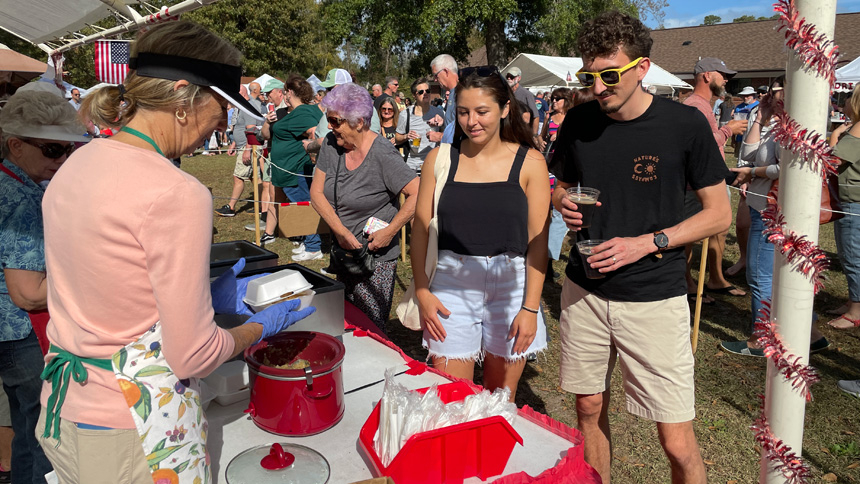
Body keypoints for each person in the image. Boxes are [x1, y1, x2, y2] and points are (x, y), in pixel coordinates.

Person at [37, 21, 314, 484]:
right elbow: (193, 356)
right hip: (132, 431)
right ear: (184, 97)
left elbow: (110, 279)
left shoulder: (77, 161)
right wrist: (255, 327)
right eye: (222, 106)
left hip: (65, 410)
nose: (226, 122)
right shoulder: (176, 192)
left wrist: (199, 292)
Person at [549, 12, 733, 482]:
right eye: (590, 76)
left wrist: (648, 242)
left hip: (655, 293)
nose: (600, 85)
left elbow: (718, 214)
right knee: (589, 407)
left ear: (642, 67)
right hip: (584, 288)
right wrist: (563, 201)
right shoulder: (578, 121)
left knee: (675, 440)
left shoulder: (684, 124)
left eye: (610, 74)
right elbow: (560, 185)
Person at [411, 66, 549, 401]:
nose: (472, 121)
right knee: (450, 398)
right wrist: (422, 291)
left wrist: (530, 308)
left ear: (504, 110)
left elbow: (538, 243)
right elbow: (420, 229)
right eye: (463, 112)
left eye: (482, 111)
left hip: (512, 287)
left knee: (499, 398)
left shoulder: (530, 162)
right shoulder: (439, 159)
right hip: (451, 285)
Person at [0, 90, 82, 484]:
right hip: (22, 336)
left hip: (8, 335)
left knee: (25, 427)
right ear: (16, 144)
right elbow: (28, 292)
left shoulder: (9, 181)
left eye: (68, 150)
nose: (61, 160)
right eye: (52, 149)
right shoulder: (24, 198)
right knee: (44, 439)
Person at [720, 78, 829, 356]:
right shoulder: (774, 123)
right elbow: (747, 155)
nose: (772, 94)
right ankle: (811, 335)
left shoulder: (798, 127)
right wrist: (760, 117)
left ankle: (762, 339)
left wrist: (753, 173)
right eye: (771, 89)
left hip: (774, 211)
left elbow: (789, 168)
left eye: (780, 88)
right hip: (763, 205)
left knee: (762, 277)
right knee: (779, 276)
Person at [310, 83, 419, 332]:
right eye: (329, 119)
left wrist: (390, 231)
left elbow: (418, 191)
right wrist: (341, 232)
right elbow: (316, 193)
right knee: (343, 321)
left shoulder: (383, 153)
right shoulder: (330, 143)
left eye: (335, 120)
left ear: (359, 121)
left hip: (375, 258)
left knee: (369, 330)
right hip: (344, 253)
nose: (330, 126)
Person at [682, 58, 748, 303]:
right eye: (723, 74)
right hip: (695, 186)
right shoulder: (694, 106)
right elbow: (700, 147)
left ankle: (716, 279)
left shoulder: (704, 105)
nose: (727, 79)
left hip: (712, 180)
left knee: (719, 230)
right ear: (707, 75)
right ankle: (686, 283)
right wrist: (728, 130)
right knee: (688, 234)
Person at [261, 75, 324, 255]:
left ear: (289, 92)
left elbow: (315, 133)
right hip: (289, 168)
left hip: (295, 168)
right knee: (301, 204)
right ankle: (308, 241)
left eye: (285, 91)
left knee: (304, 205)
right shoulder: (299, 111)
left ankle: (313, 247)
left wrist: (312, 148)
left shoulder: (303, 112)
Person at [827, 85, 860, 329]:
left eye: (848, 97)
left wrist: (834, 138)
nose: (844, 101)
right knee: (850, 254)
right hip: (851, 201)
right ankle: (852, 302)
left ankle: (856, 310)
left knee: (852, 256)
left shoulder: (858, 129)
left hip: (853, 202)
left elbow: (832, 162)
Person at [216, 85, 259, 218]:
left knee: (238, 176)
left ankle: (231, 207)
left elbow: (251, 130)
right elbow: (240, 128)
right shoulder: (240, 107)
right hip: (241, 146)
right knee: (255, 178)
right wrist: (233, 143)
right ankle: (262, 205)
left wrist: (247, 149)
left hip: (248, 147)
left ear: (242, 93)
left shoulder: (247, 107)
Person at [395, 78, 444, 172]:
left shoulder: (439, 113)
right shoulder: (405, 114)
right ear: (414, 95)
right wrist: (406, 136)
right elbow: (397, 138)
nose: (425, 94)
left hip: (433, 164)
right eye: (421, 92)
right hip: (412, 165)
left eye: (428, 91)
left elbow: (446, 136)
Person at [430, 54, 460, 144]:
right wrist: (443, 121)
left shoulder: (462, 93)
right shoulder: (452, 93)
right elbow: (455, 121)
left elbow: (467, 128)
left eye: (436, 75)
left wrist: (440, 136)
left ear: (446, 71)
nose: (435, 80)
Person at [504, 66, 539, 135]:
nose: (509, 78)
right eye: (507, 76)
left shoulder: (526, 94)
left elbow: (535, 116)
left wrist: (534, 135)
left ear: (519, 78)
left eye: (512, 76)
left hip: (522, 133)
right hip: (508, 132)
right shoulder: (505, 93)